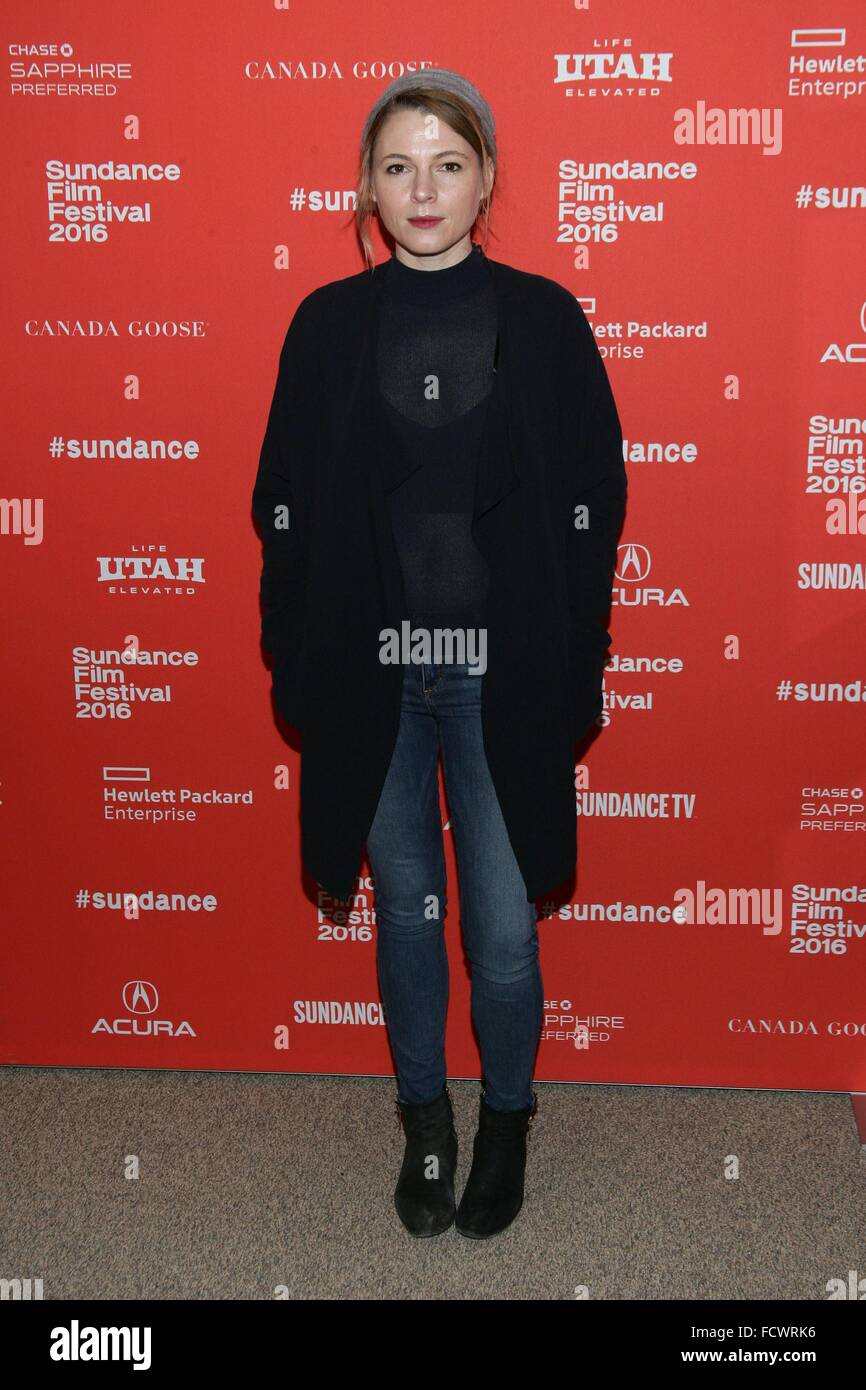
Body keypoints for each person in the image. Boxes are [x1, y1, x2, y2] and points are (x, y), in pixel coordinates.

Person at [252, 69, 627, 1240]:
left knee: (503, 929)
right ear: (367, 185)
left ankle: (505, 1116)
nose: (423, 189)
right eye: (399, 165)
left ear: (486, 180)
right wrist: (295, 658)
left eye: (448, 164)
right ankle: (425, 1122)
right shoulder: (323, 324)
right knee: (406, 911)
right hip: (372, 676)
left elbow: (593, 499)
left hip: (497, 675)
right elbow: (280, 503)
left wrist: (572, 661)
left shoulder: (547, 320)